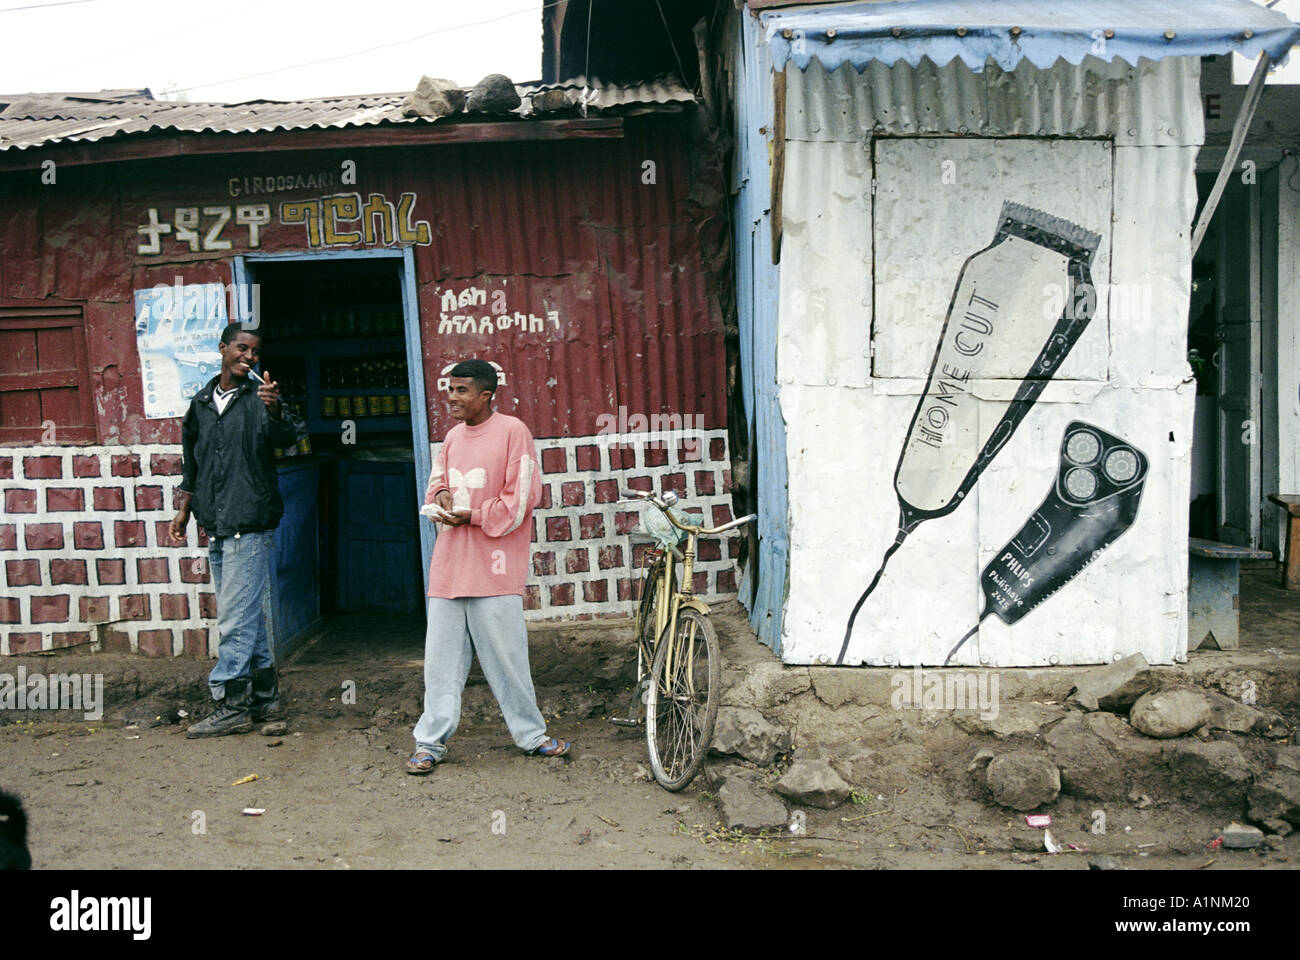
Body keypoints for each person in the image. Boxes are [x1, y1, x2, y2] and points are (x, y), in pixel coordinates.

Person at [407, 358, 570, 773]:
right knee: (440, 663)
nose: (452, 398)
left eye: (462, 390)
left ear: (486, 395)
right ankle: (429, 743)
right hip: (449, 565)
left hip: (496, 568)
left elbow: (521, 500)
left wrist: (473, 515)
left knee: (508, 659)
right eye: (450, 389)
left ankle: (531, 736)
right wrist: (442, 498)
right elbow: (437, 482)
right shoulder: (452, 438)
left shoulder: (514, 432)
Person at [170, 323, 304, 738]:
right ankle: (264, 702)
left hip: (251, 523)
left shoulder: (261, 399)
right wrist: (184, 511)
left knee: (234, 618)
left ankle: (229, 705)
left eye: (255, 351)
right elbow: (194, 464)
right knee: (250, 618)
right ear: (223, 348)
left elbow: (288, 440)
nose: (249, 356)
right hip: (217, 523)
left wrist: (275, 409)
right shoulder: (201, 402)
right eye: (242, 348)